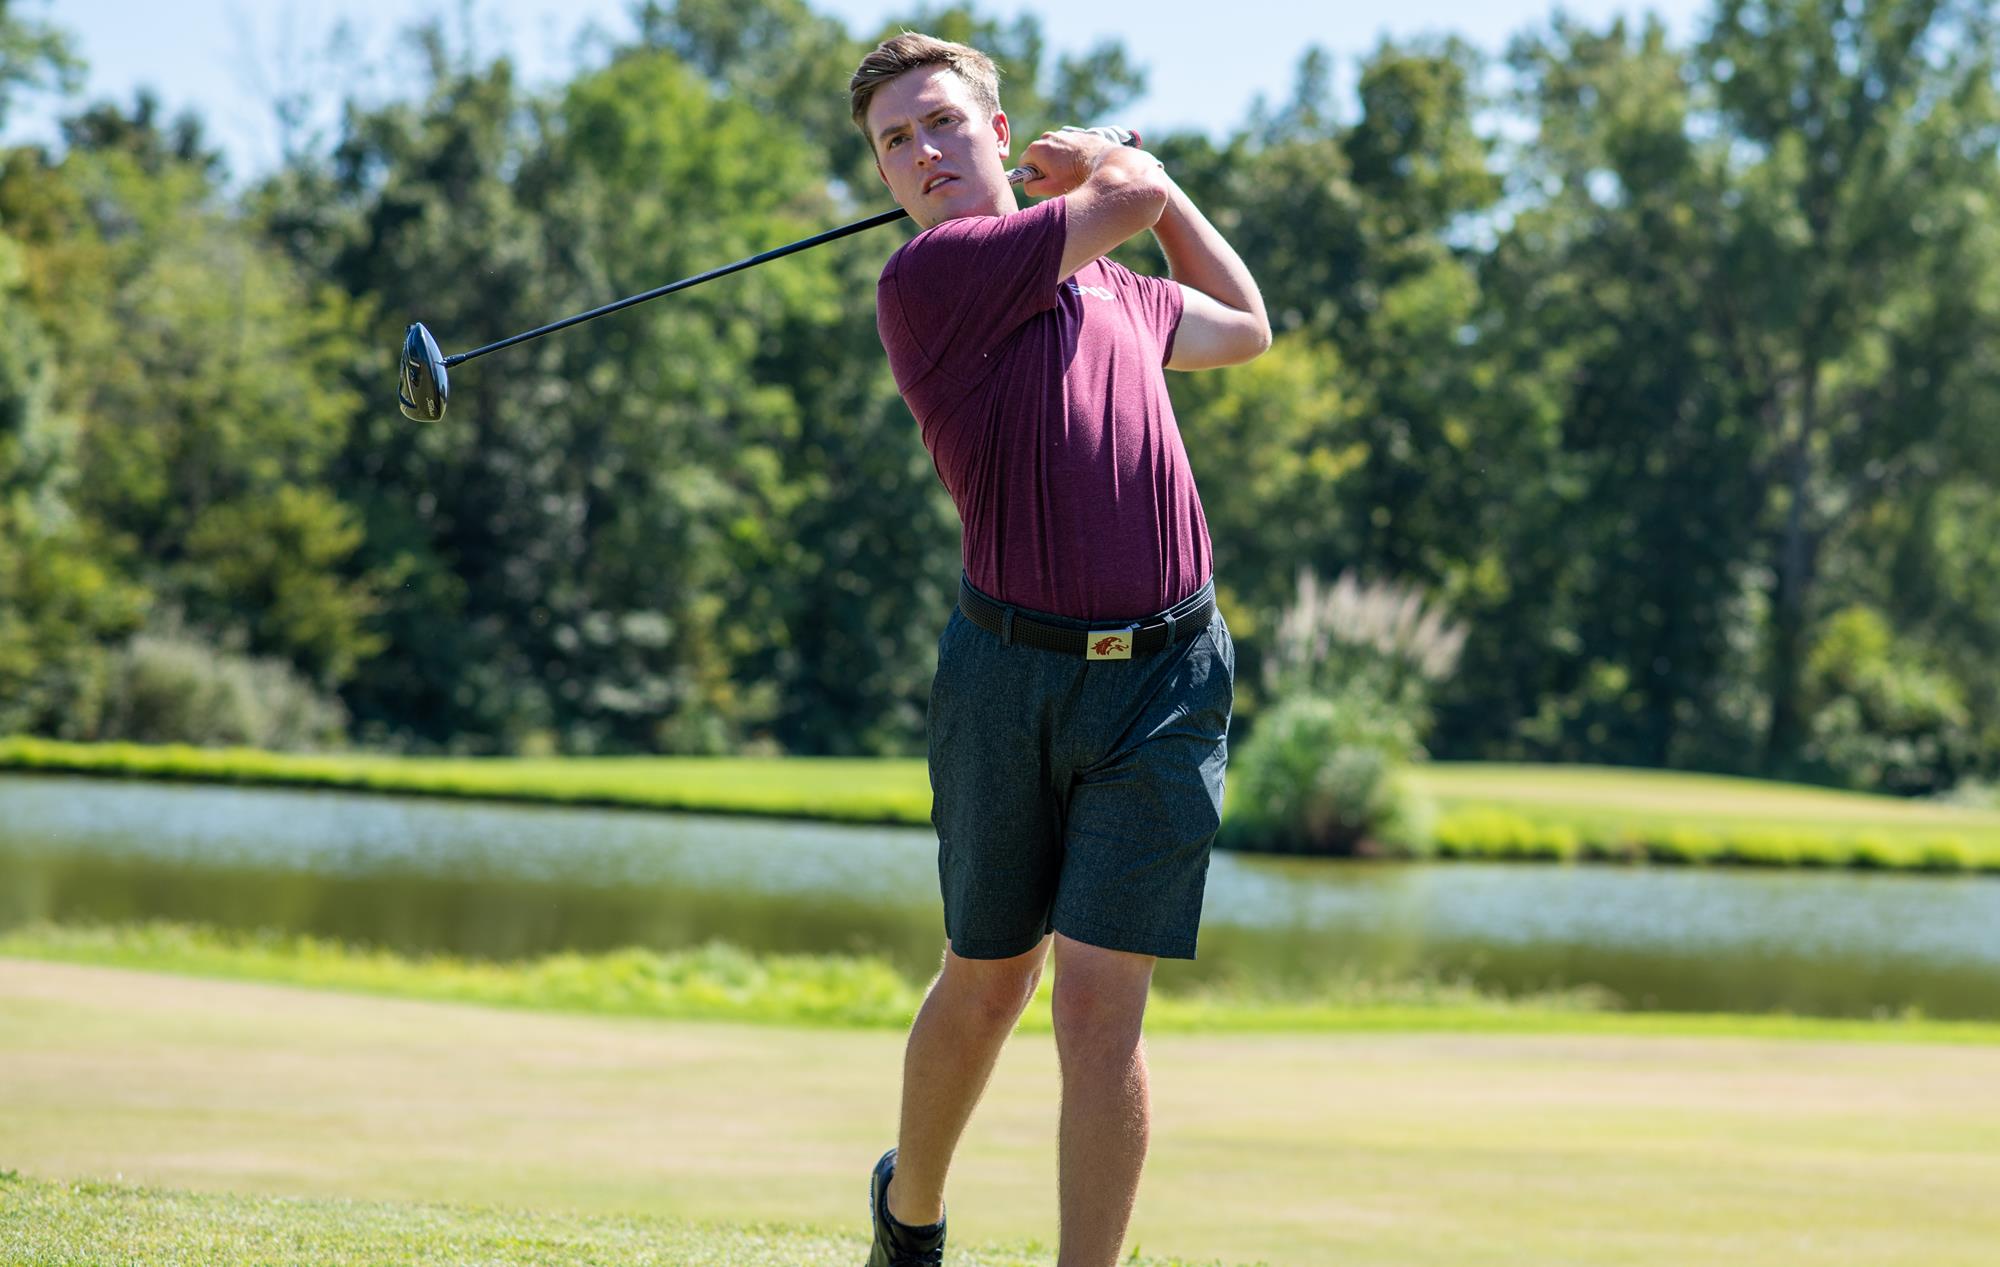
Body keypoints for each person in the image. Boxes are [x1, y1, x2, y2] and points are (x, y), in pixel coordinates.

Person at [848, 31, 1271, 1267]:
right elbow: (1123, 199)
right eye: (893, 141)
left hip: (1167, 678)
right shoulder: (931, 280)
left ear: (993, 129)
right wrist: (1110, 171)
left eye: (939, 123)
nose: (921, 152)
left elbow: (1244, 325)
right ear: (883, 176)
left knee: (1099, 1009)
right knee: (987, 981)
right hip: (1004, 677)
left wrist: (1150, 190)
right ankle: (909, 1215)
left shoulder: (1123, 294)